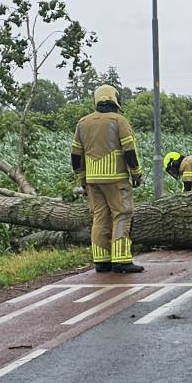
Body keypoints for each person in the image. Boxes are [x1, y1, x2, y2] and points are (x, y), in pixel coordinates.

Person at [71, 84, 144, 274]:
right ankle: (121, 259)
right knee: (122, 214)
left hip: (93, 179)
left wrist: (82, 178)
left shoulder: (83, 123)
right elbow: (129, 151)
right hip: (117, 178)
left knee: (100, 217)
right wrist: (137, 173)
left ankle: (101, 260)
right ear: (115, 99)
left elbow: (75, 156)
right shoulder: (119, 120)